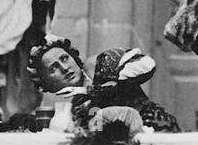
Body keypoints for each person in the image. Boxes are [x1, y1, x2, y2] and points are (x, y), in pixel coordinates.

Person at [27, 39, 180, 133]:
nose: (65, 68)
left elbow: (147, 65)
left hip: (156, 129)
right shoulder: (77, 108)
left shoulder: (100, 63)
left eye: (65, 58)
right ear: (47, 84)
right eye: (53, 68)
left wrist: (90, 90)